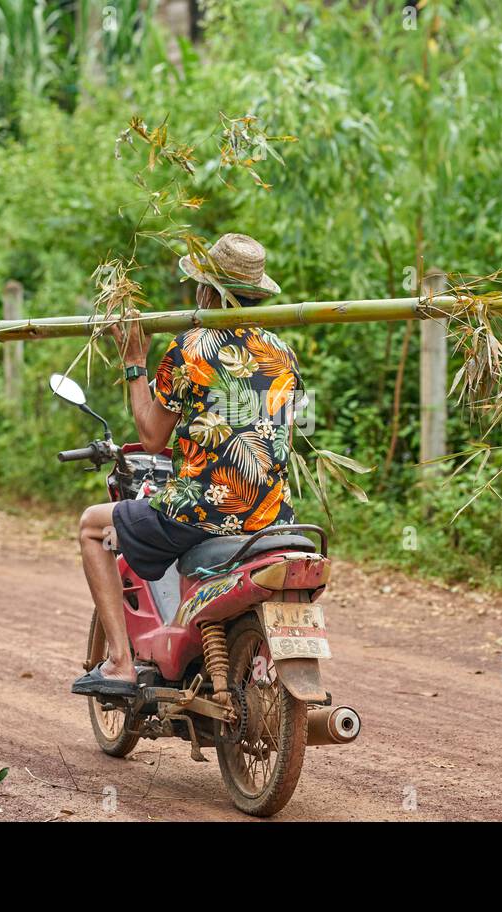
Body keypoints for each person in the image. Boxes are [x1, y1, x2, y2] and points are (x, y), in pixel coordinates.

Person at [71, 233, 301, 698]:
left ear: (208, 293)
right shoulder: (282, 352)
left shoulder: (190, 349)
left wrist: (134, 363)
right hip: (273, 517)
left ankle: (118, 663)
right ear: (257, 297)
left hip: (201, 513)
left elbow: (153, 438)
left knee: (91, 527)